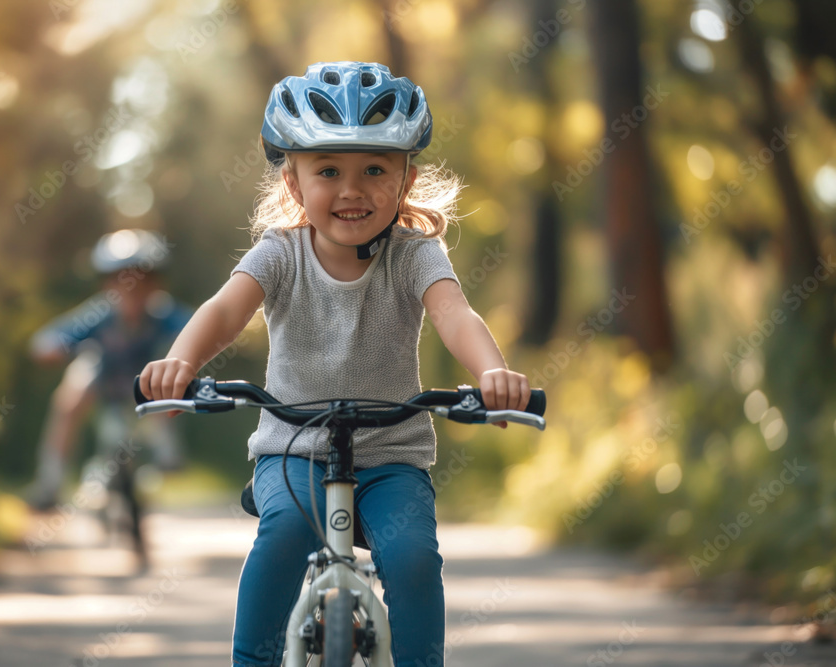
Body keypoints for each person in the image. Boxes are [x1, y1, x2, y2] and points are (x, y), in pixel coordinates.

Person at [138, 62, 530, 666]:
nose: (352, 189)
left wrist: (491, 374)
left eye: (375, 169)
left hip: (391, 456)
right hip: (291, 449)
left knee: (414, 559)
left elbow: (455, 314)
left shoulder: (414, 253)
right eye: (328, 171)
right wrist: (180, 361)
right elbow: (224, 311)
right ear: (294, 183)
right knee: (283, 538)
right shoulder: (280, 252)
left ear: (406, 179)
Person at [26, 229, 192, 558]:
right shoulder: (98, 315)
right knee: (70, 396)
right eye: (120, 279)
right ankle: (50, 482)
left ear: (156, 283)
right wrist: (52, 348)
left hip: (143, 386)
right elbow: (49, 338)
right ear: (107, 284)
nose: (131, 288)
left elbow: (198, 328)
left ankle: (168, 453)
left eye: (143, 279)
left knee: (168, 384)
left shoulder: (163, 315)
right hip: (102, 381)